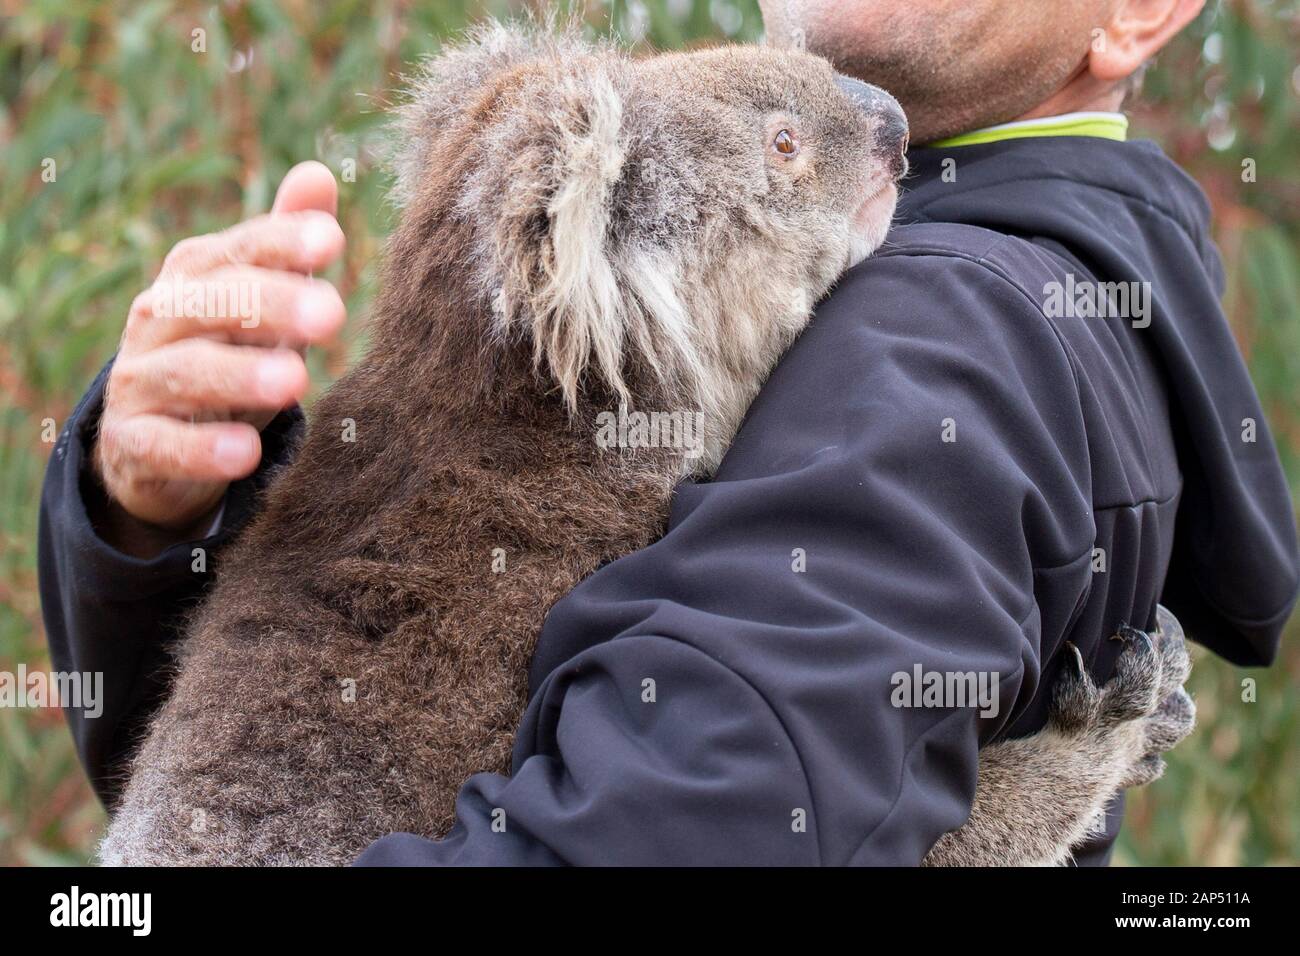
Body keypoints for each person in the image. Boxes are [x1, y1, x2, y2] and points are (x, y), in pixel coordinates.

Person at [40, 0, 1298, 864]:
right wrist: (157, 511)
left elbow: (709, 828)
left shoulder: (938, 331)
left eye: (793, 139)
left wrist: (1047, 783)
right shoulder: (635, 377)